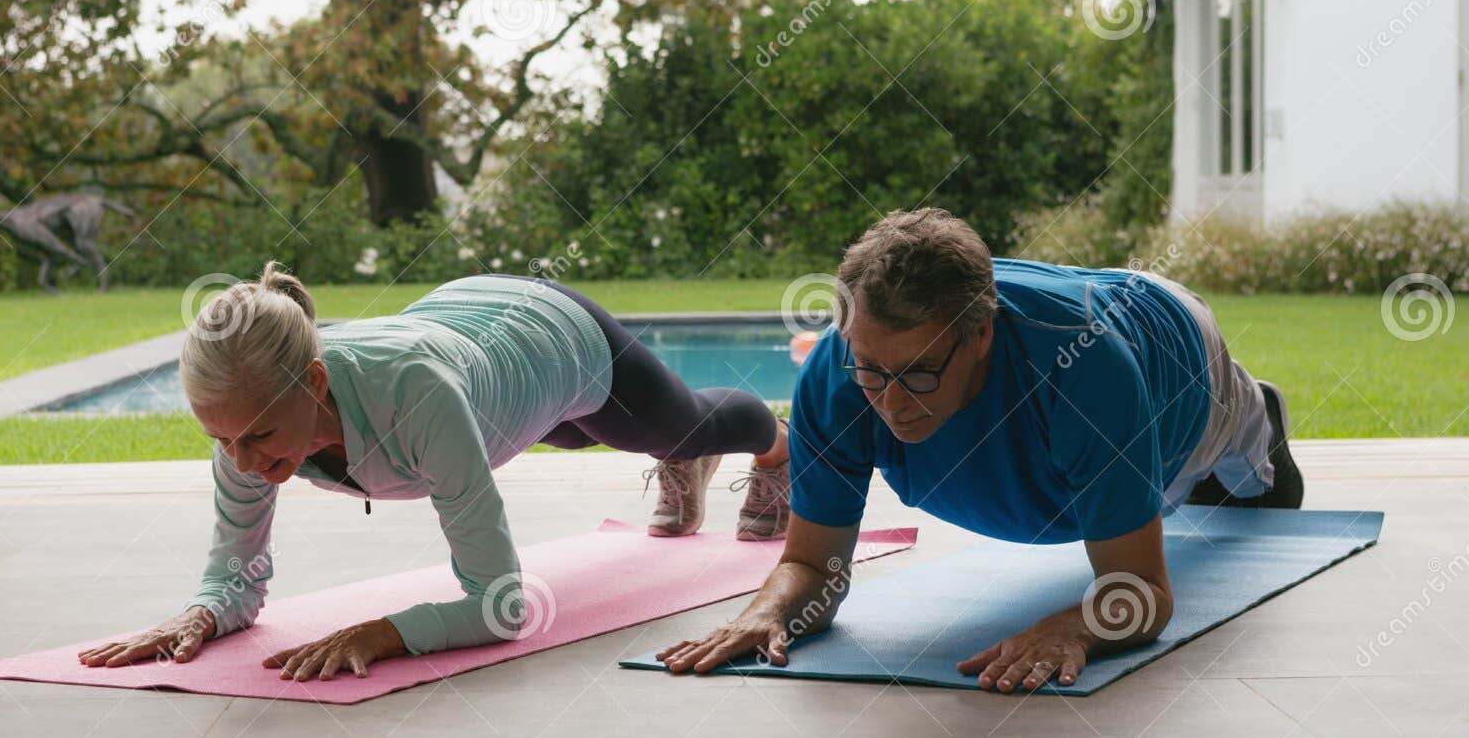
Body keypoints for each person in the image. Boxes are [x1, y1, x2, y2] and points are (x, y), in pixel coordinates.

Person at [656, 207, 1303, 694]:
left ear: (982, 335)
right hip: (1071, 341)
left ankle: (1261, 414)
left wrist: (1075, 625)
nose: (890, 400)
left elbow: (1141, 591)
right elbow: (813, 566)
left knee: (1244, 491)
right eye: (871, 368)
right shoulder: (836, 370)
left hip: (1175, 355)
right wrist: (765, 611)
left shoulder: (1089, 372)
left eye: (918, 371)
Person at [76, 266, 791, 681]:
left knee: (676, 424)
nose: (240, 462)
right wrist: (202, 610)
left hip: (547, 330)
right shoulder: (248, 421)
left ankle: (772, 444)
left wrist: (378, 634)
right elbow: (236, 575)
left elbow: (503, 606)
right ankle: (677, 459)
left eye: (257, 437)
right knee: (571, 435)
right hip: (478, 357)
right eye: (218, 438)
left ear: (317, 382)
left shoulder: (416, 398)